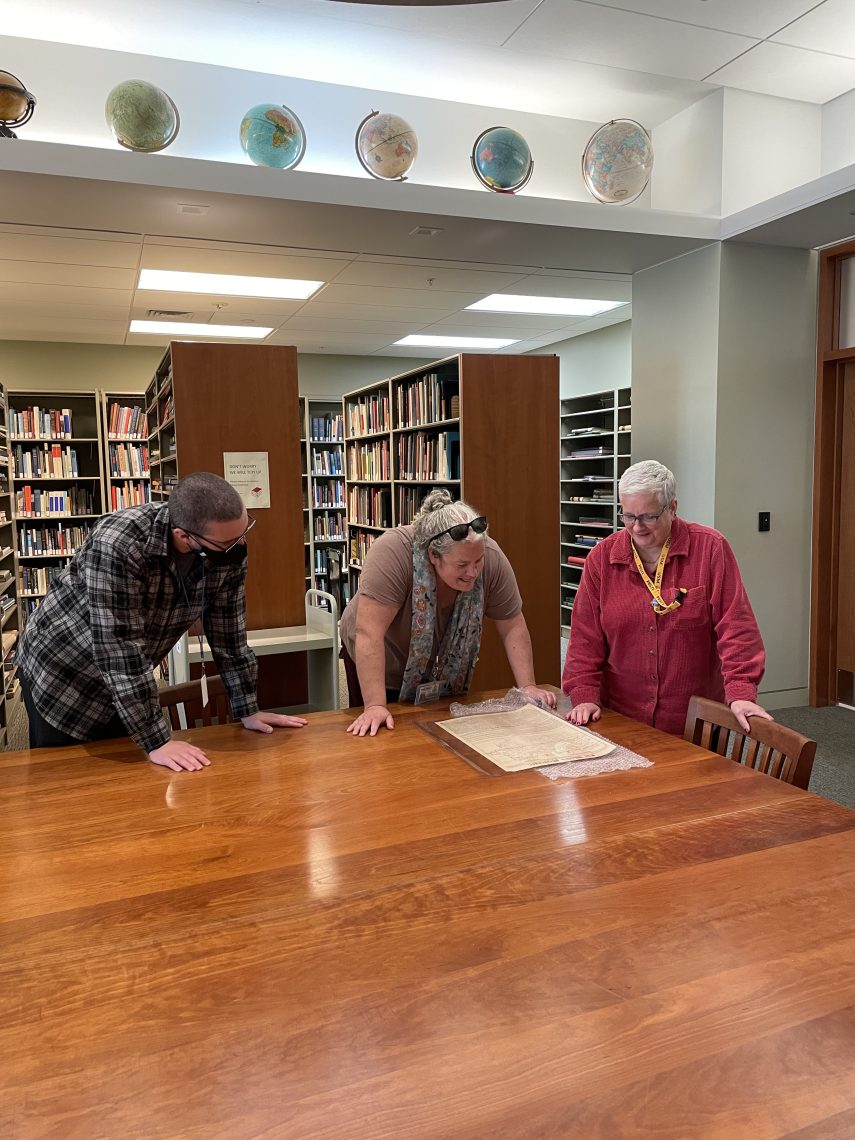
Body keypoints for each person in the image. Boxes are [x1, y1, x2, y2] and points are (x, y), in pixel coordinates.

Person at [17, 471, 306, 771]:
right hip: (63, 673)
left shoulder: (226, 547)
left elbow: (229, 632)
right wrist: (157, 740)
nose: (242, 545)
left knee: (131, 781)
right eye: (231, 542)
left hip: (127, 678)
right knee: (67, 780)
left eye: (245, 532)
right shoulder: (120, 542)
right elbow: (120, 650)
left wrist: (248, 709)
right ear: (184, 536)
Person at [563, 459, 771, 736]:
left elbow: (736, 627)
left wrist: (741, 691)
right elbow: (584, 638)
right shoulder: (602, 559)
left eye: (649, 516)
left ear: (672, 508)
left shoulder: (711, 549)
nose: (637, 527)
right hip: (621, 717)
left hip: (692, 719)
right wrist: (584, 694)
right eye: (628, 516)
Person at [341, 488, 555, 737]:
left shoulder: (491, 556)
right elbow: (369, 632)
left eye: (478, 562)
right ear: (433, 555)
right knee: (386, 738)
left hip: (442, 670)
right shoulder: (393, 552)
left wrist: (527, 687)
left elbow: (512, 625)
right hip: (382, 658)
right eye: (462, 565)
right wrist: (375, 705)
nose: (473, 573)